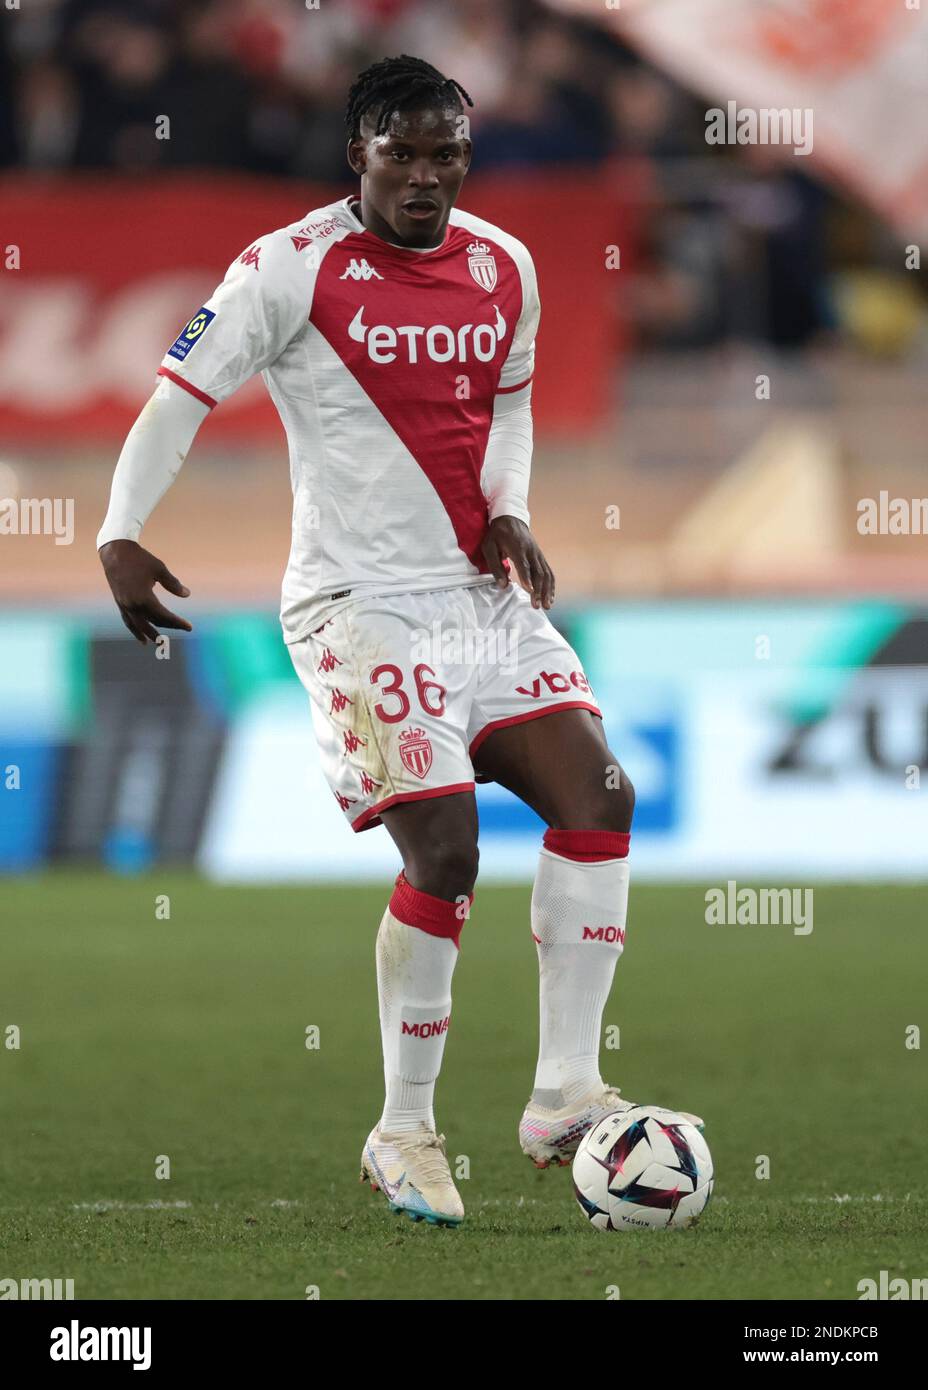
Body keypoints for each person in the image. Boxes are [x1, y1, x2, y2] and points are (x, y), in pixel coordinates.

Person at [97, 54, 702, 1229]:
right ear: (357, 152)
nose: (426, 177)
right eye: (403, 153)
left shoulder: (504, 266)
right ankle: (404, 1129)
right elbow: (179, 397)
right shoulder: (287, 268)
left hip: (479, 595)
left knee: (601, 794)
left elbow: (511, 402)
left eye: (446, 154)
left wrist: (511, 507)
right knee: (448, 851)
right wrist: (121, 531)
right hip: (355, 602)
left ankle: (562, 1092)